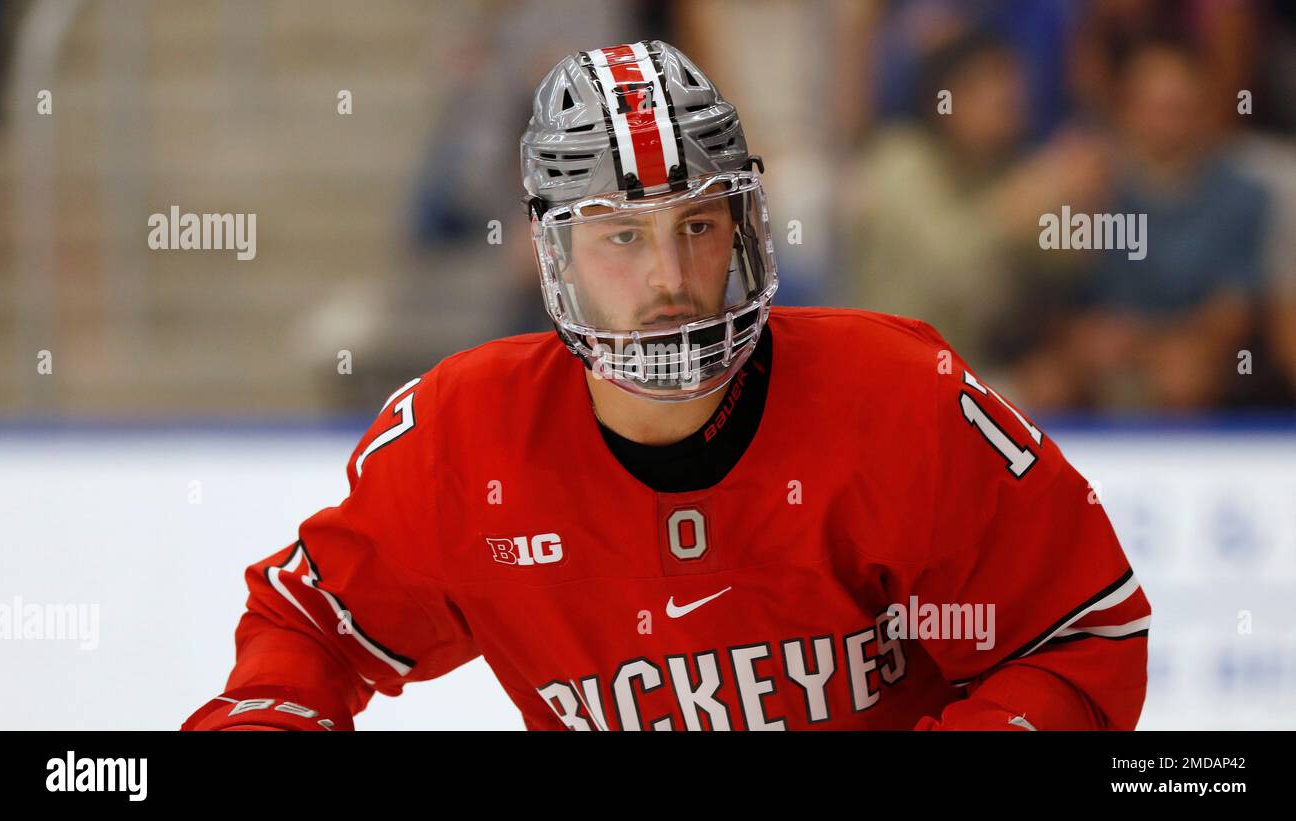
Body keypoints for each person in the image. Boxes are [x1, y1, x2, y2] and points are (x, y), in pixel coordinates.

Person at [183, 41, 1150, 731]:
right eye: (621, 236)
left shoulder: (898, 396)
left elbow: (1081, 634)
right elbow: (309, 624)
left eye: (698, 223)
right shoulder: (464, 437)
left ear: (747, 228)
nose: (670, 279)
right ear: (552, 256)